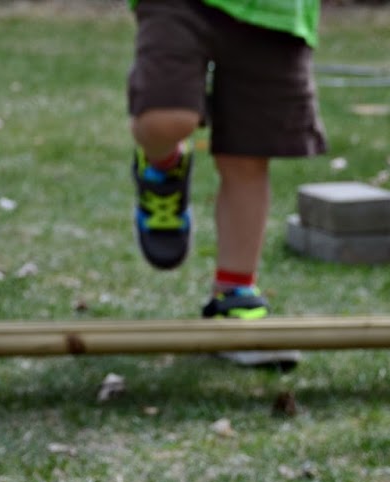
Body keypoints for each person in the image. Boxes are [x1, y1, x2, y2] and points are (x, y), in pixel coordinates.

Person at [126, 0, 325, 367]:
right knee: (164, 119)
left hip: (274, 11)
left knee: (248, 155)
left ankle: (233, 294)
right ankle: (161, 166)